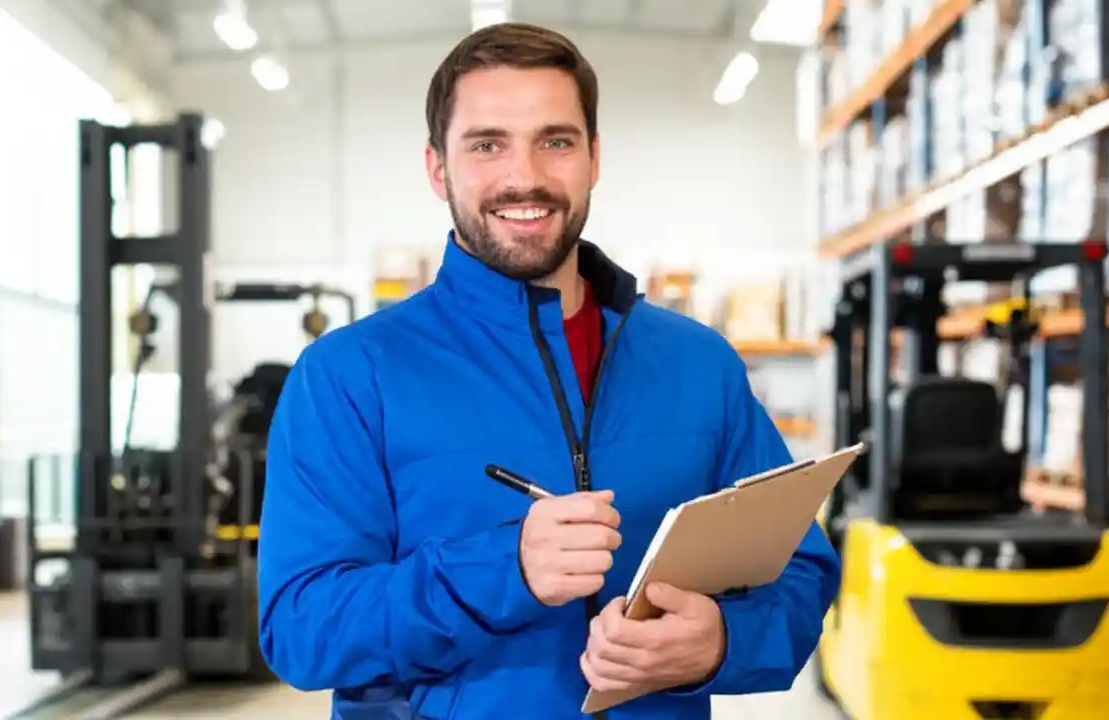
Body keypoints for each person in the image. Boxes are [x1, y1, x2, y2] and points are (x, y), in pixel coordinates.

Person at [257, 22, 841, 720]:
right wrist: (503, 572)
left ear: (594, 158)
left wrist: (723, 642)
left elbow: (800, 573)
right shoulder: (350, 376)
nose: (524, 177)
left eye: (555, 141)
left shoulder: (698, 364)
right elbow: (301, 630)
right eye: (487, 144)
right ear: (437, 167)